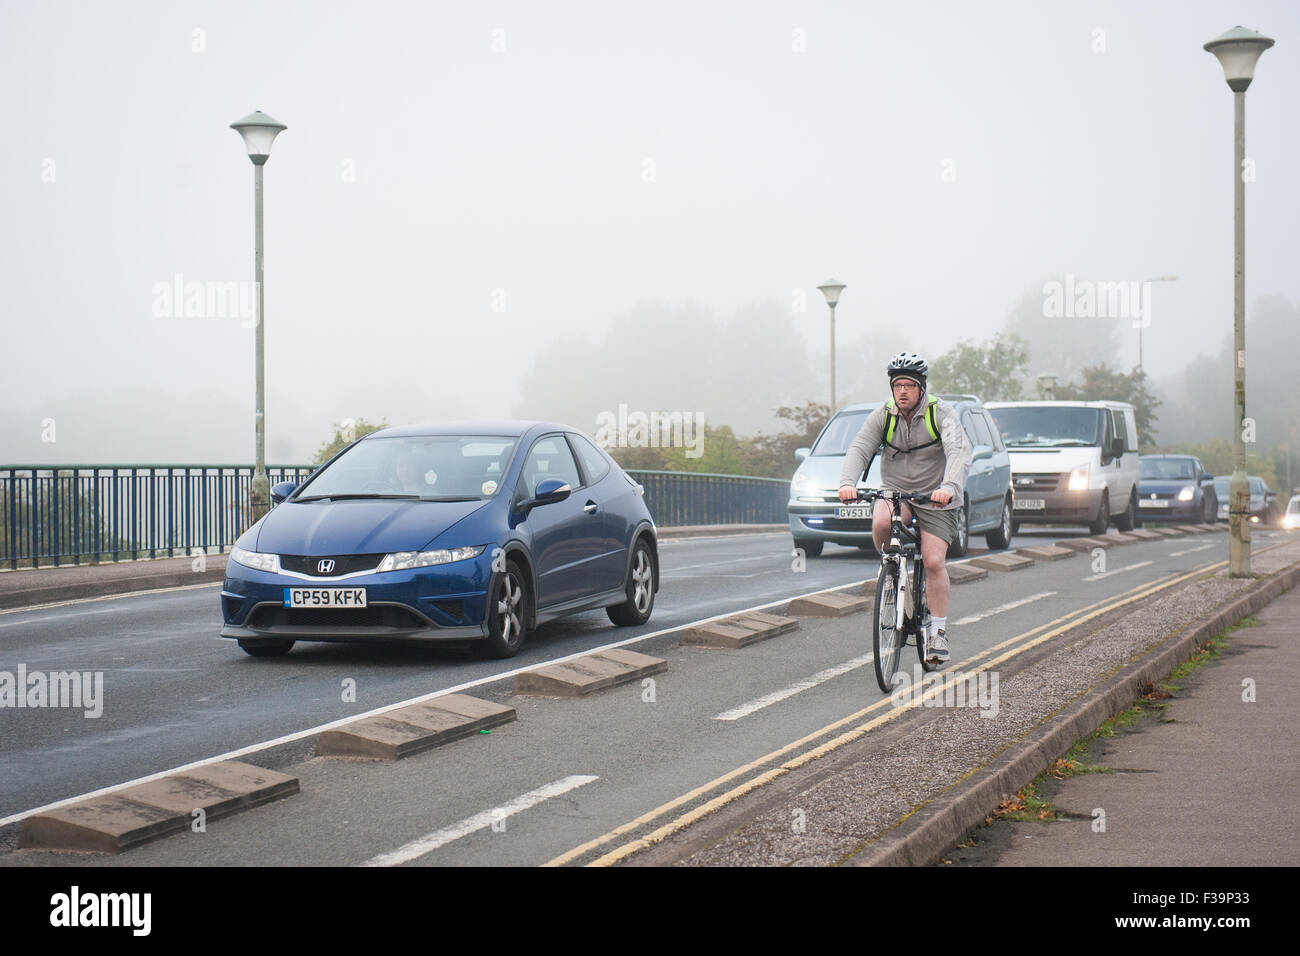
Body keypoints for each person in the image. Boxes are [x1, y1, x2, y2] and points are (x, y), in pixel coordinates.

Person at [837, 352, 971, 664]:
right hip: (896, 493)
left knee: (934, 559)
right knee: (882, 523)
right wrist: (847, 482)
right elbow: (860, 447)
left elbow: (959, 450)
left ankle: (937, 633)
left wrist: (948, 487)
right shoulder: (884, 415)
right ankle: (891, 570)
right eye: (898, 385)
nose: (903, 392)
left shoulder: (941, 413)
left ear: (921, 388)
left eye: (910, 385)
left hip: (936, 495)